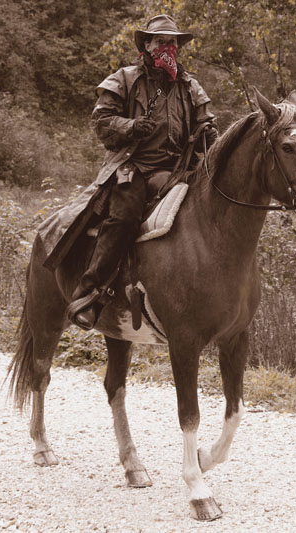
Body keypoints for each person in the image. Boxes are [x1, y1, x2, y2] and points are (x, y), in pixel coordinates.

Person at [62, 14, 218, 329]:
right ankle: (91, 292)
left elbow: (209, 129)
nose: (167, 47)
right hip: (131, 168)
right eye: (160, 41)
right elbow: (101, 122)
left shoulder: (190, 86)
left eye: (172, 42)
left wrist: (210, 137)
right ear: (146, 45)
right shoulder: (124, 79)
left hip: (177, 170)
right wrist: (131, 126)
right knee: (124, 218)